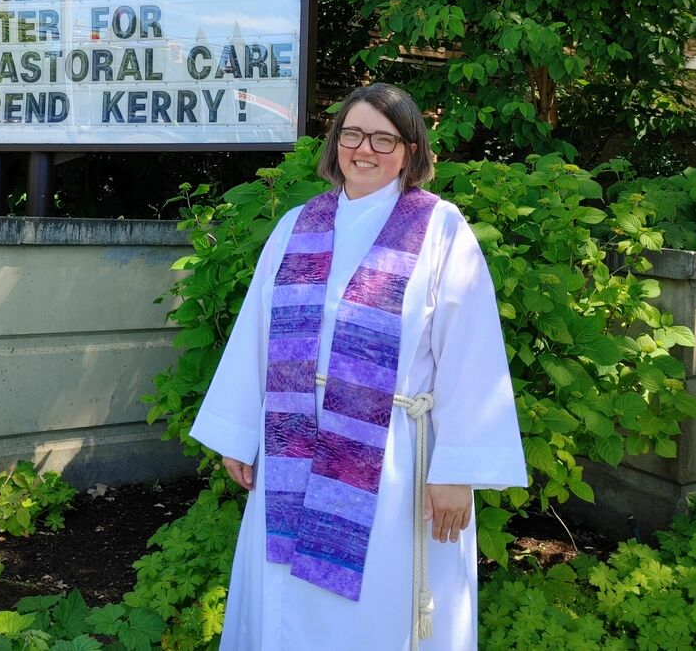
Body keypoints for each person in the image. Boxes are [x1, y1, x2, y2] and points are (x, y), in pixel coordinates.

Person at [190, 83, 527, 651]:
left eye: (382, 137)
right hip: (293, 441)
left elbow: (472, 356)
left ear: (412, 151)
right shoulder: (297, 225)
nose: (363, 149)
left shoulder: (441, 230)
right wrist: (239, 432)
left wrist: (455, 470)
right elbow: (257, 331)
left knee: (371, 610)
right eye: (351, 133)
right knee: (286, 599)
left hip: (392, 460)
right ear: (335, 142)